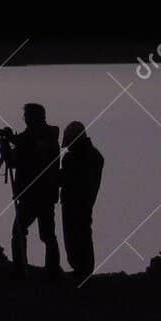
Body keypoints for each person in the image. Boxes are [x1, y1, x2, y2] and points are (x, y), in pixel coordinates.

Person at [4, 102, 61, 278]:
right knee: (41, 233)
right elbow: (16, 161)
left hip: (37, 193)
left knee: (27, 231)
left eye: (27, 116)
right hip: (38, 193)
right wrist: (8, 148)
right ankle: (48, 270)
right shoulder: (45, 136)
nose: (26, 120)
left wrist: (12, 143)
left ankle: (27, 269)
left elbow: (26, 152)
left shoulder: (45, 136)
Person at [59, 120, 104, 280]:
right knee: (80, 233)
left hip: (76, 202)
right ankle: (82, 268)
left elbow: (67, 179)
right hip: (82, 202)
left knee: (76, 234)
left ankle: (82, 269)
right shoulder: (94, 155)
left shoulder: (77, 158)